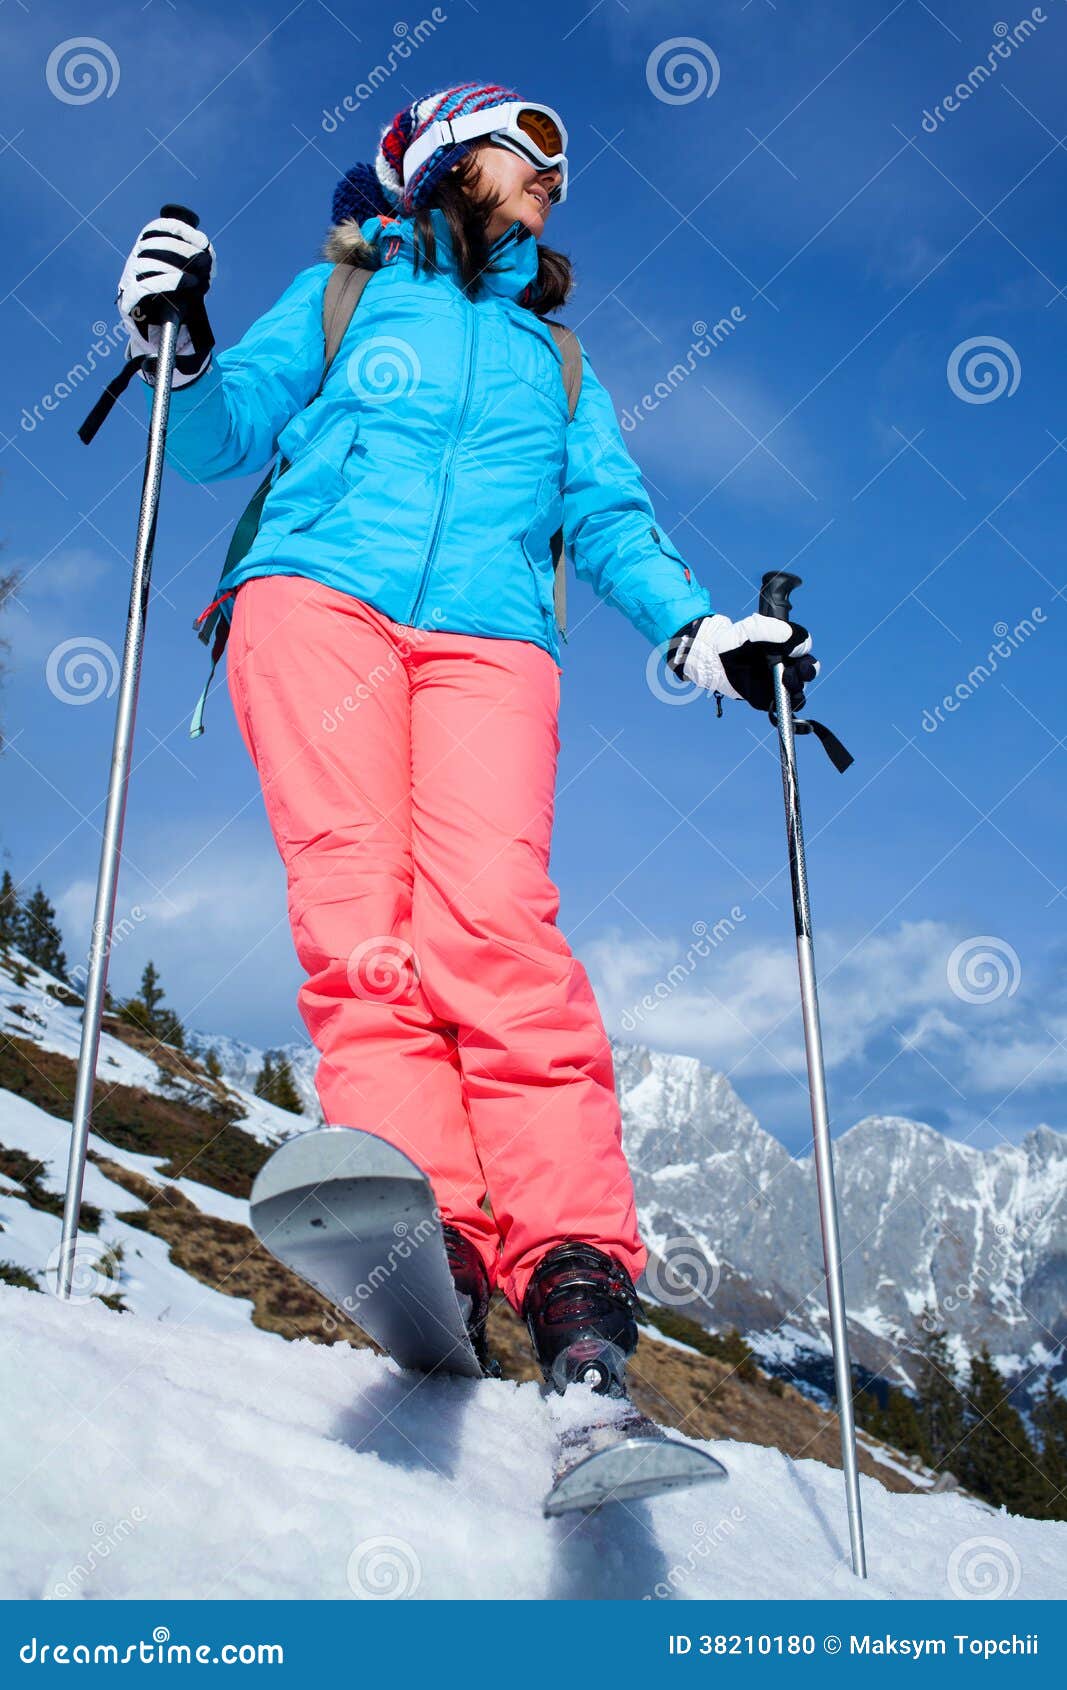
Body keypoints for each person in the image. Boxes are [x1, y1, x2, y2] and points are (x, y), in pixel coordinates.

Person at [115, 84, 816, 1394]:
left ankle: (571, 1266)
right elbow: (215, 434)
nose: (557, 165)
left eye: (564, 149)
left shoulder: (556, 361)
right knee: (363, 929)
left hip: (495, 642)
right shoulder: (344, 299)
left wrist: (698, 634)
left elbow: (607, 519)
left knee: (496, 928)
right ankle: (427, 1227)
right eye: (530, 139)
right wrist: (180, 342)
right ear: (447, 156)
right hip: (318, 602)